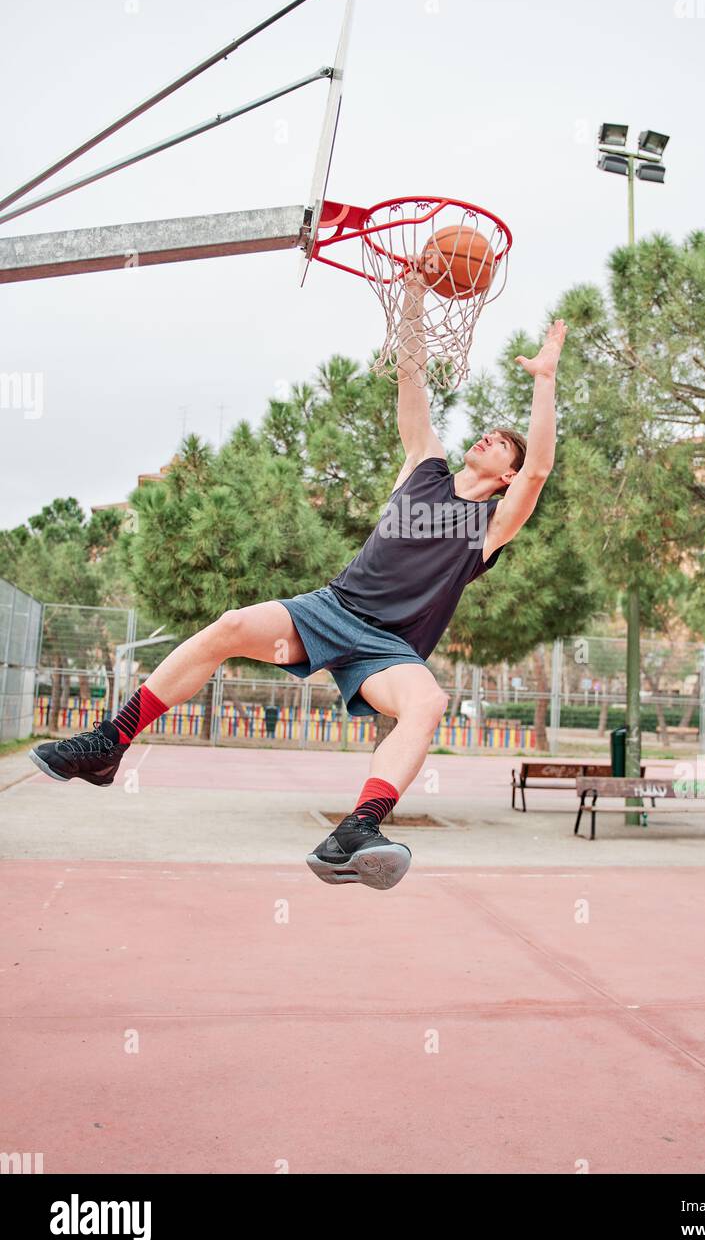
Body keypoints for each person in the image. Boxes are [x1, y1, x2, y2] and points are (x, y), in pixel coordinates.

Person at [30, 273, 567, 890]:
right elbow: (412, 382)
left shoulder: (491, 524)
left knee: (428, 701)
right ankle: (109, 743)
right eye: (491, 434)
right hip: (332, 609)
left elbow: (541, 470)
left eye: (505, 444)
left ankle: (356, 831)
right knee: (229, 626)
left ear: (507, 475)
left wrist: (545, 381)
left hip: (388, 650)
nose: (492, 438)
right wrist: (415, 298)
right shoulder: (424, 467)